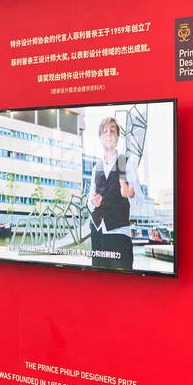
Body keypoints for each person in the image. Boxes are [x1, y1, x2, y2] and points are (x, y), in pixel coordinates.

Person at [87, 116, 136, 271]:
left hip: (119, 233)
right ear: (100, 137)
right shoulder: (97, 167)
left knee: (122, 285)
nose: (108, 133)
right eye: (104, 131)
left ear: (118, 136)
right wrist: (94, 203)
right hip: (98, 232)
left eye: (112, 130)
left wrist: (130, 193)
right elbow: (89, 201)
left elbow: (136, 197)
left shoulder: (125, 163)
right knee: (98, 285)